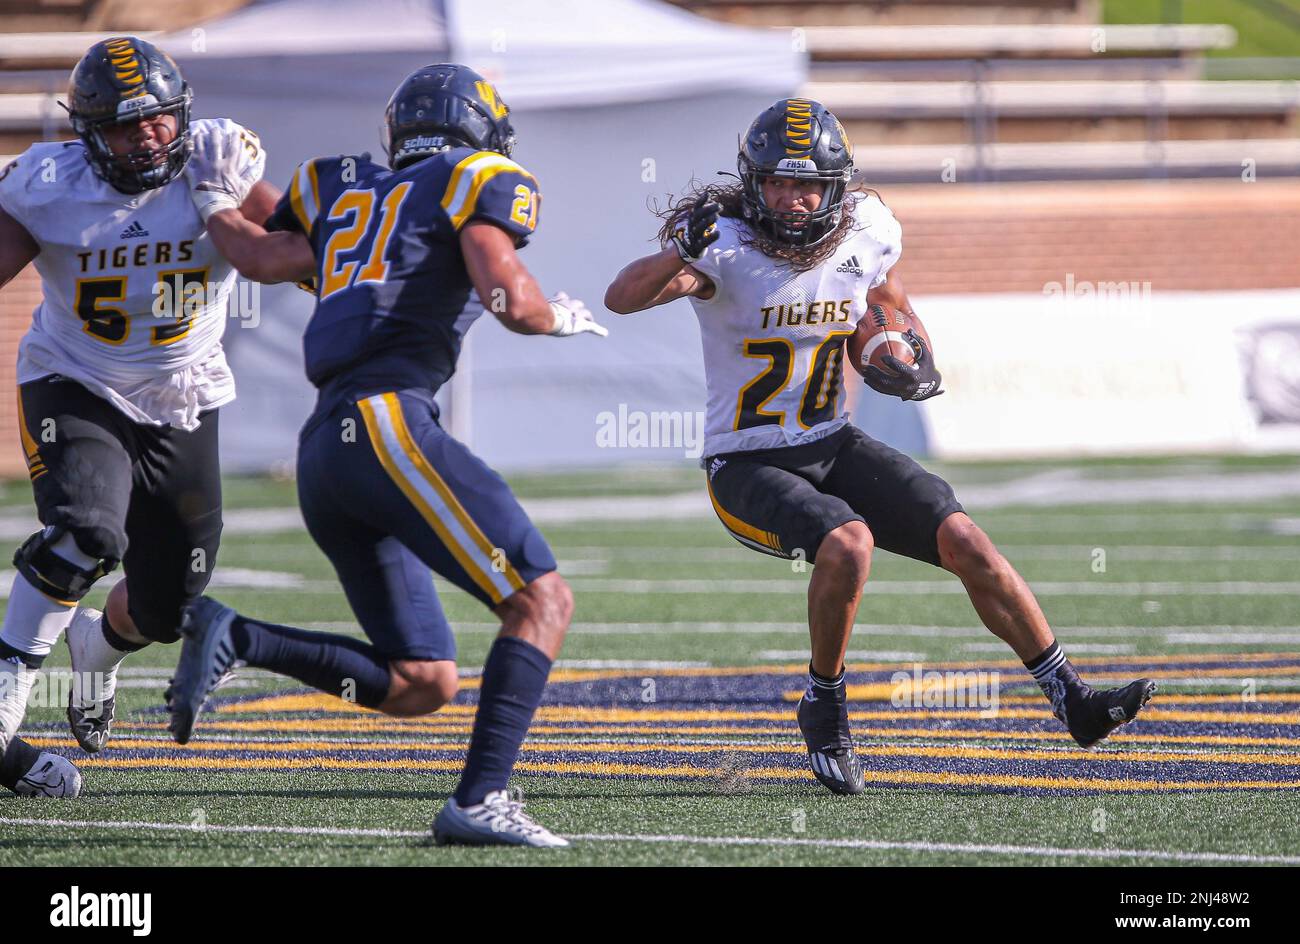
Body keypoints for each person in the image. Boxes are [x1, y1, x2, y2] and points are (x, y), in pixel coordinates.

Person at [604, 97, 1156, 795]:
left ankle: (1071, 698)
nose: (794, 200)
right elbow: (621, 297)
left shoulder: (867, 229)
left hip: (833, 442)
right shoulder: (725, 248)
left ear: (837, 187)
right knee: (849, 542)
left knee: (968, 541)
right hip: (745, 462)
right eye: (778, 182)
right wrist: (677, 250)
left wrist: (905, 347)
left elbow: (887, 300)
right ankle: (825, 703)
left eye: (807, 184)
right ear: (754, 183)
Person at [166, 64, 605, 846]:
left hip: (325, 453)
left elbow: (263, 259)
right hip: (385, 421)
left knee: (421, 681)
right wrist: (553, 317)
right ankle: (479, 801)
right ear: (483, 134)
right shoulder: (475, 175)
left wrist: (215, 198)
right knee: (543, 602)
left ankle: (239, 635)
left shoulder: (342, 189)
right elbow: (504, 289)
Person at [0, 37, 276, 796]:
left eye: (156, 120)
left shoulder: (221, 159)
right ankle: (11, 678)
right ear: (87, 134)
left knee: (168, 602)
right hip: (76, 379)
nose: (146, 136)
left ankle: (97, 653)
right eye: (125, 126)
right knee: (88, 529)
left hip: (184, 393)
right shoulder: (48, 187)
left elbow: (286, 247)